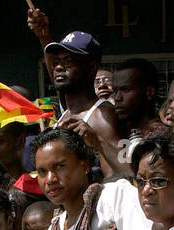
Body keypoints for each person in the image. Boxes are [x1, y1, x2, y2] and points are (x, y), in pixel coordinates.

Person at [27, 11, 125, 180]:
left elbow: (124, 173)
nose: (58, 67)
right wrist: (44, 36)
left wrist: (98, 142)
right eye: (56, 62)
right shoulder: (67, 111)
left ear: (91, 67)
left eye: (68, 61)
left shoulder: (102, 115)